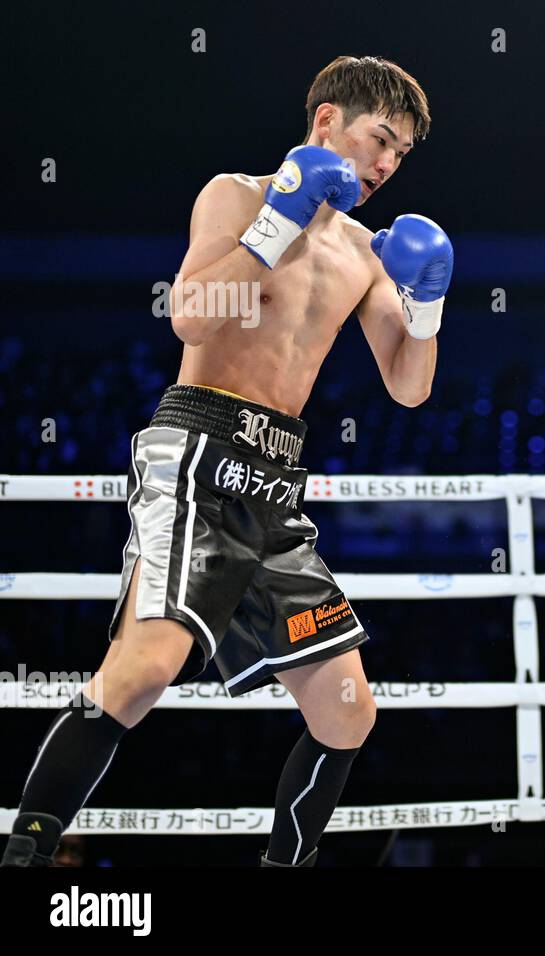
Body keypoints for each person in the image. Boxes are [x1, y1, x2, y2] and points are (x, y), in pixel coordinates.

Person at [2, 55, 452, 867]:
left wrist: (428, 304)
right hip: (198, 458)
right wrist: (278, 222)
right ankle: (28, 854)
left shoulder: (366, 252)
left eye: (402, 153)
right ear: (327, 121)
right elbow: (190, 315)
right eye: (381, 138)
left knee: (347, 710)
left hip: (275, 485)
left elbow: (410, 388)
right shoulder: (237, 196)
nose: (389, 163)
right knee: (144, 670)